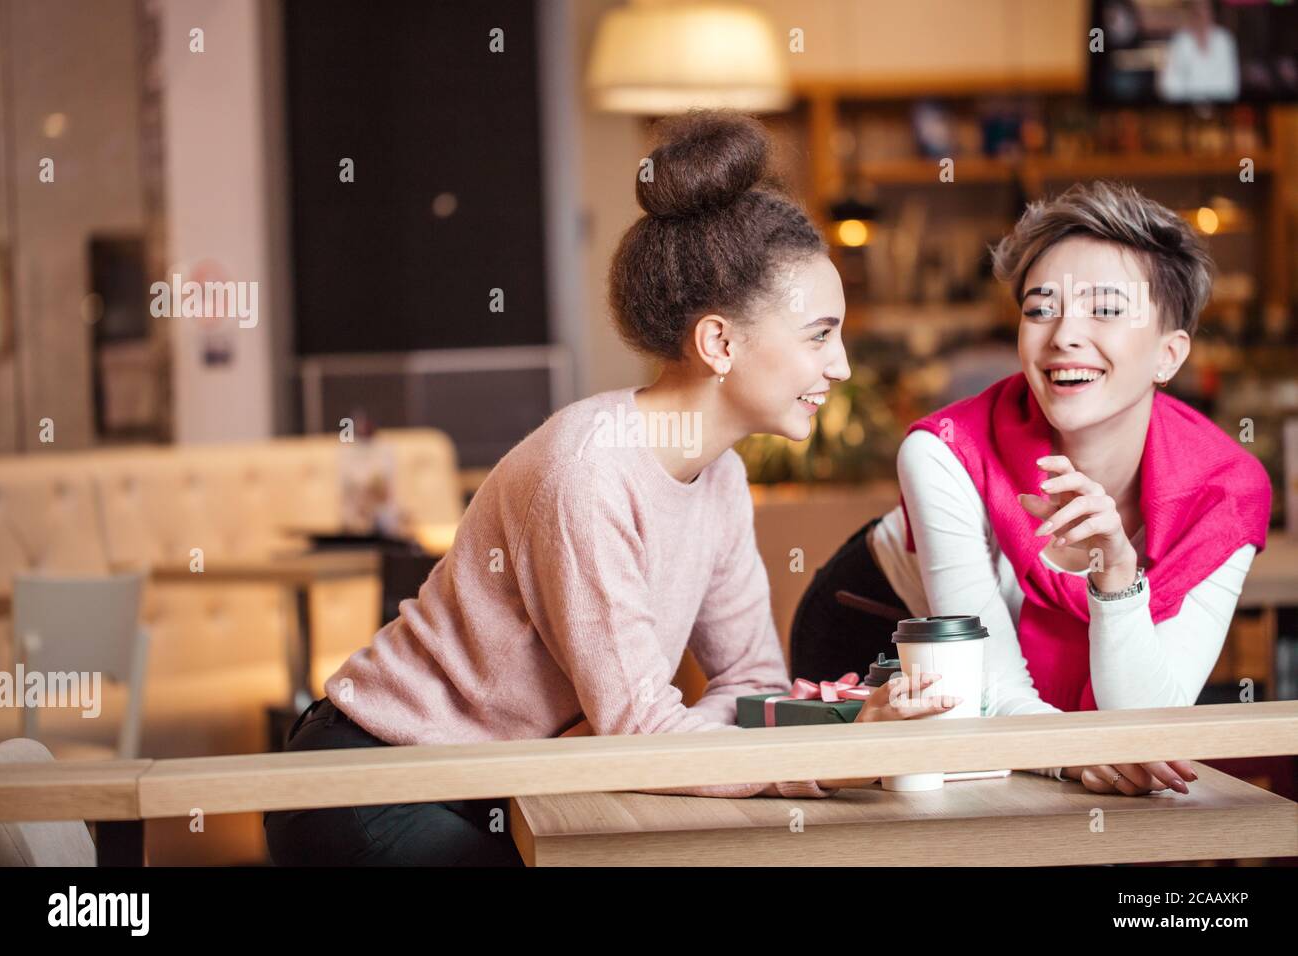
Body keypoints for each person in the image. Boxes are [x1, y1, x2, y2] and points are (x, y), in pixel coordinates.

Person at [264, 109, 957, 867]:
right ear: (720, 342)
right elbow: (641, 733)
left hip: (498, 784)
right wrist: (822, 751)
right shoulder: (590, 469)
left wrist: (845, 726)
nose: (842, 366)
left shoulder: (719, 474)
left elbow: (749, 682)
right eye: (820, 335)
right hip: (372, 779)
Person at [792, 180, 1271, 799]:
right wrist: (1072, 754)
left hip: (1024, 701)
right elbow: (987, 685)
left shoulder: (1225, 492)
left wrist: (1117, 575)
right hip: (884, 632)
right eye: (1041, 308)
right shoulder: (943, 454)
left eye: (1104, 308)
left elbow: (1150, 728)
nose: (1064, 335)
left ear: (1169, 354)